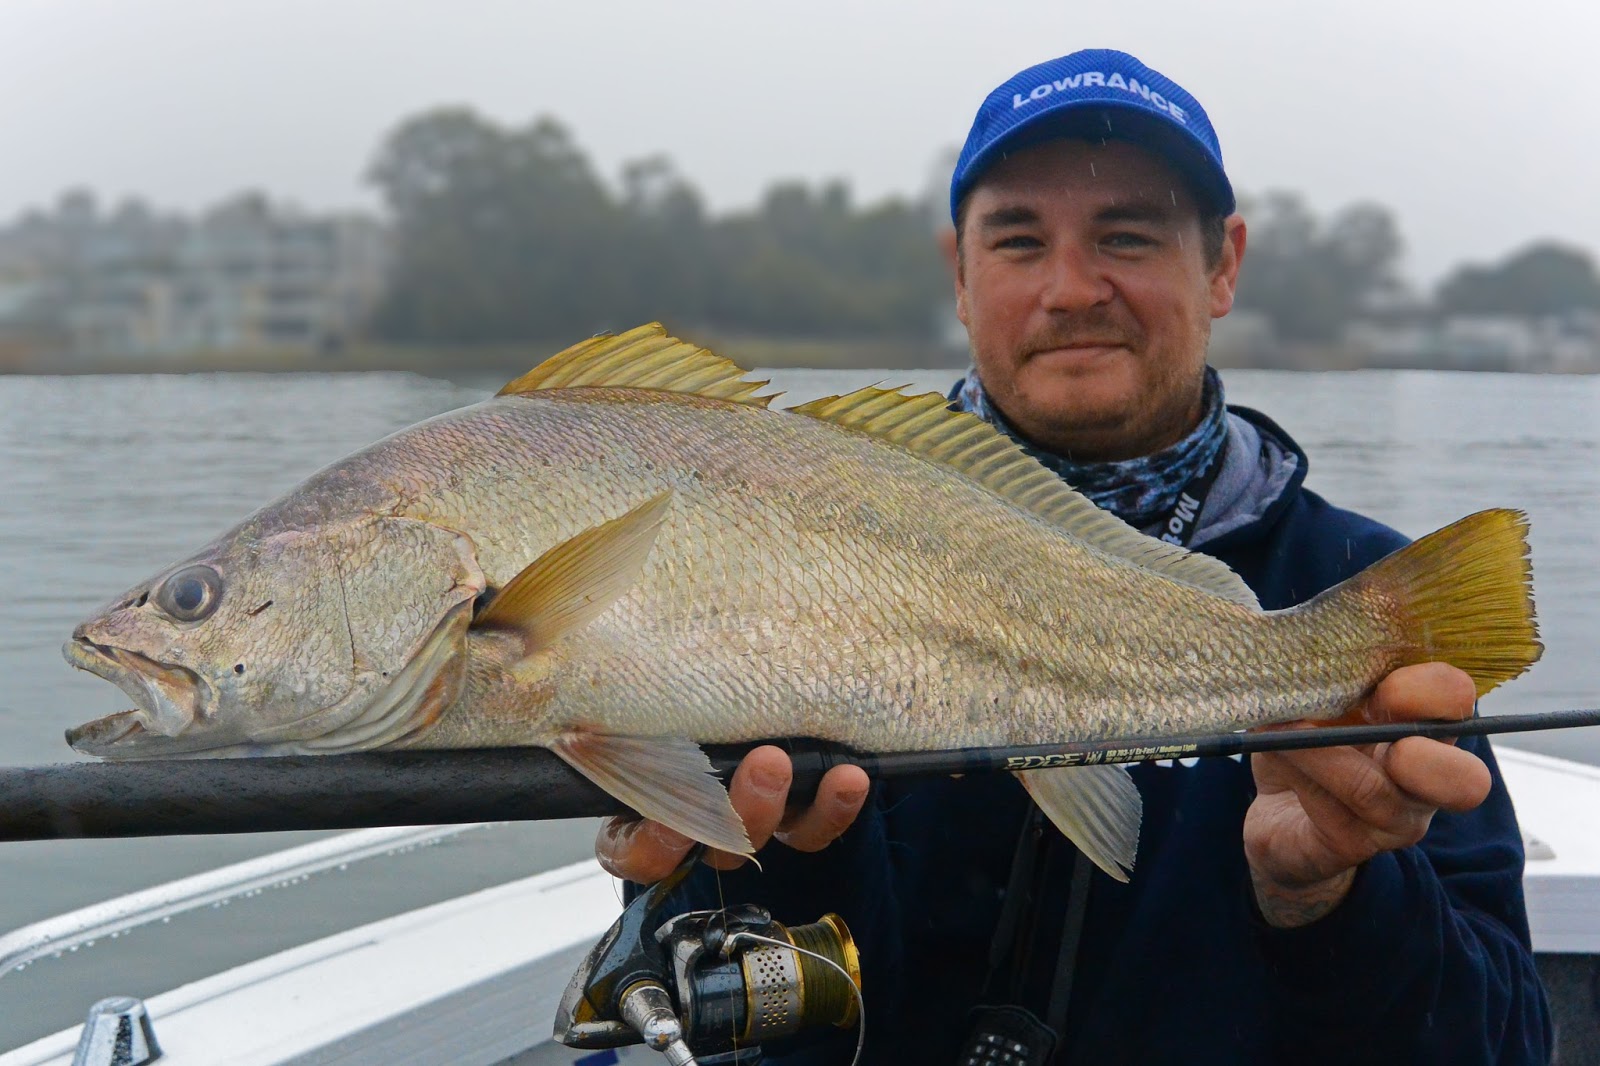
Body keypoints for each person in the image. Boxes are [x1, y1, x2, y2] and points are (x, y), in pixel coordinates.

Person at [596, 49, 1552, 1063]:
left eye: (1126, 235)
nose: (1070, 289)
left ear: (1223, 263)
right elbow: (698, 1030)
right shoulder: (777, 538)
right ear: (958, 276)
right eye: (1016, 239)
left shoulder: (1364, 598)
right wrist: (766, 871)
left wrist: (1331, 893)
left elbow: (1507, 1042)